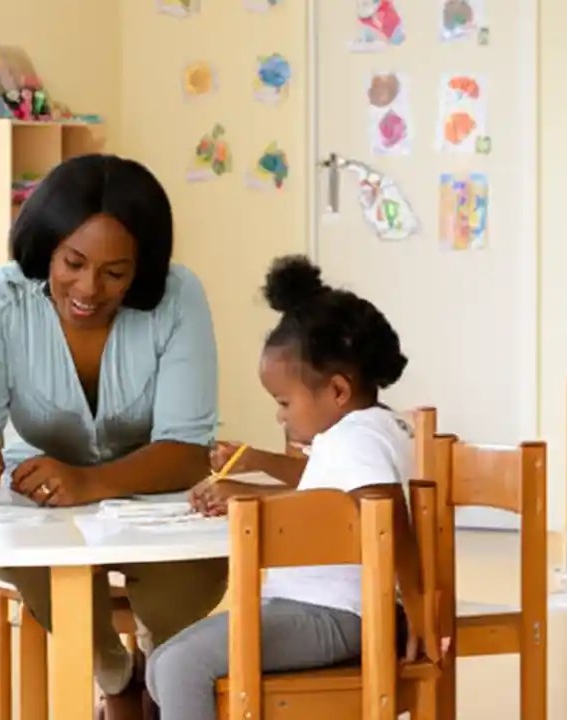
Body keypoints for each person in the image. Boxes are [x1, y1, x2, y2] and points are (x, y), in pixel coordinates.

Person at [0, 154, 227, 712]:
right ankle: (116, 676)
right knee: (41, 565)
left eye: (115, 273)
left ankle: (161, 666)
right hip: (39, 503)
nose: (89, 289)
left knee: (182, 595)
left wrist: (90, 482)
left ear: (142, 268)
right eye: (72, 262)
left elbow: (189, 453)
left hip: (158, 499)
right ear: (46, 243)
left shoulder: (179, 297)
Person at [145, 255, 413, 719]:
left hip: (338, 615)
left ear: (337, 391)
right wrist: (256, 464)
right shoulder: (360, 431)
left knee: (177, 667)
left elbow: (379, 517)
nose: (280, 415)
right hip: (322, 608)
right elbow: (327, 491)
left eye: (285, 401)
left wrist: (253, 501)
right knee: (164, 664)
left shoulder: (359, 437)